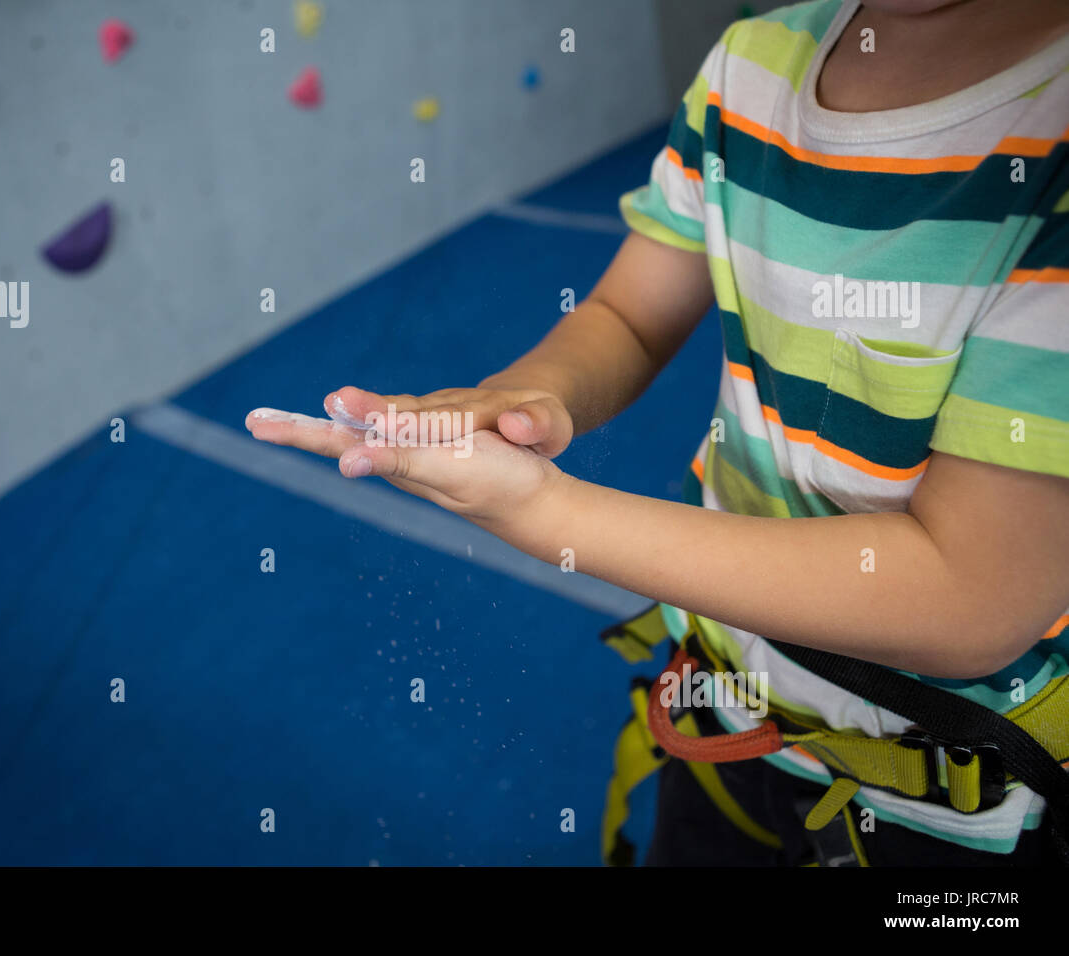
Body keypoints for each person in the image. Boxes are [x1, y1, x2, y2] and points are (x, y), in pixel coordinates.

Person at [247, 0, 1069, 865]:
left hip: (950, 811)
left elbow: (968, 595)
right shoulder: (748, 66)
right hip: (729, 710)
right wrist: (525, 399)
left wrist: (549, 515)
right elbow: (627, 314)